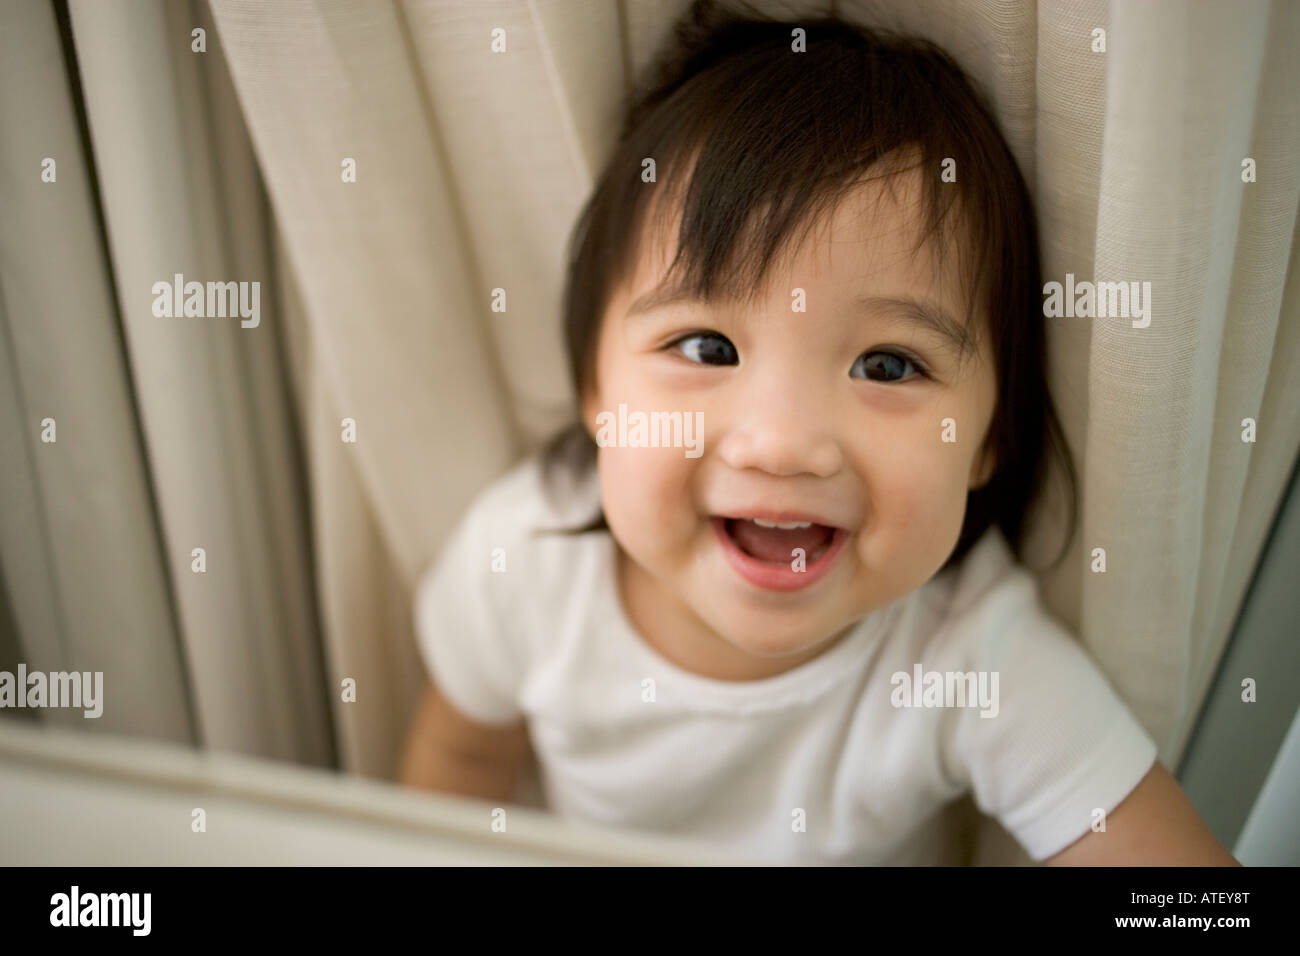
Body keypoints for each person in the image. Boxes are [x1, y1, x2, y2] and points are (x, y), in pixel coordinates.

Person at [398, 0, 1238, 866]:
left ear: (987, 439)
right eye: (706, 347)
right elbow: (457, 767)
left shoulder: (968, 658)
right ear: (597, 392)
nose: (782, 444)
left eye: (886, 366)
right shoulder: (524, 563)